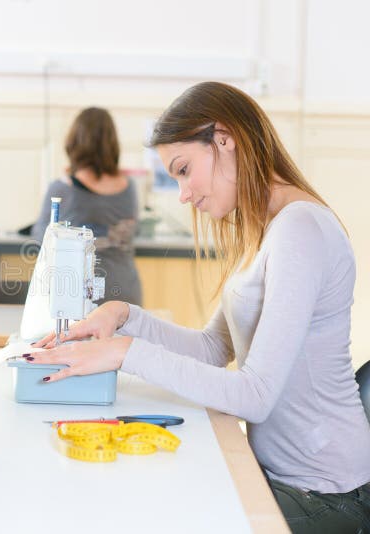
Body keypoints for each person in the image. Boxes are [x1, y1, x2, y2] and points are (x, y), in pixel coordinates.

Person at [29, 82, 370, 533]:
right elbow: (212, 348)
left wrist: (126, 352)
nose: (184, 194)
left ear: (224, 139)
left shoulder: (300, 228)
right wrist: (123, 315)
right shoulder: (265, 230)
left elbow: (256, 395)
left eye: (185, 170)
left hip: (327, 495)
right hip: (279, 478)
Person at [30, 107, 142, 305]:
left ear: (74, 141)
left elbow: (41, 238)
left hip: (82, 293)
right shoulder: (130, 186)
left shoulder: (62, 188)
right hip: (126, 290)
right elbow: (134, 230)